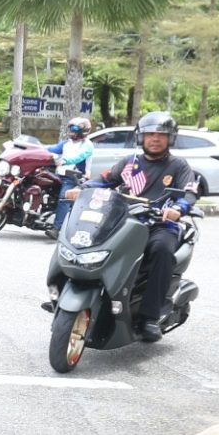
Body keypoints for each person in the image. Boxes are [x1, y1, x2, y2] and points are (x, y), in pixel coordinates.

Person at [64, 111, 198, 343]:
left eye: (161, 135)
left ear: (170, 138)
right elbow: (104, 181)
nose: (155, 139)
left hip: (160, 224)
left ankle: (150, 317)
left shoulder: (178, 165)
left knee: (161, 250)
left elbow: (189, 192)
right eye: (150, 134)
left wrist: (179, 208)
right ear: (141, 137)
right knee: (86, 238)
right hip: (126, 220)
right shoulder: (130, 163)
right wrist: (82, 189)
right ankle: (67, 291)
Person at [46, 116, 95, 237]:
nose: (71, 132)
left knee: (64, 197)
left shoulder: (87, 145)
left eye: (74, 130)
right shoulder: (67, 143)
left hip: (74, 177)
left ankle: (56, 229)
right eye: (71, 129)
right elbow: (50, 149)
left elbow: (78, 157)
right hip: (59, 174)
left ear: (83, 131)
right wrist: (32, 148)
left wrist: (65, 161)